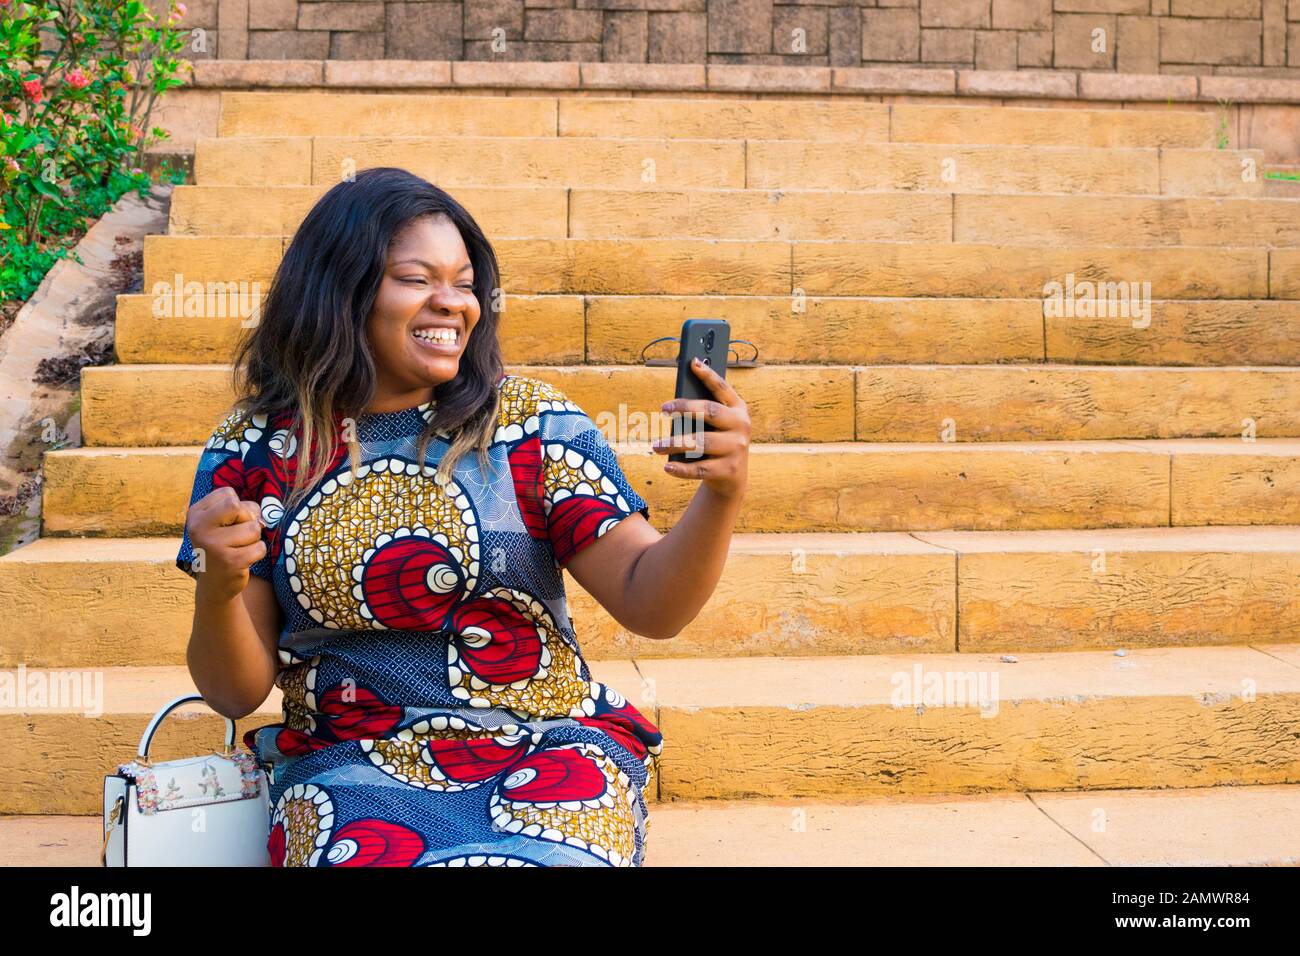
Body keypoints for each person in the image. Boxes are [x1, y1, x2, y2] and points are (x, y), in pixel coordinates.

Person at [176, 167, 751, 866]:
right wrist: (218, 581)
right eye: (417, 279)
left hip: (543, 750)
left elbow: (651, 604)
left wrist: (720, 496)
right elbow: (233, 689)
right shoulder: (259, 448)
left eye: (466, 282)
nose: (452, 304)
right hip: (351, 767)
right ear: (339, 290)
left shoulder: (534, 424)